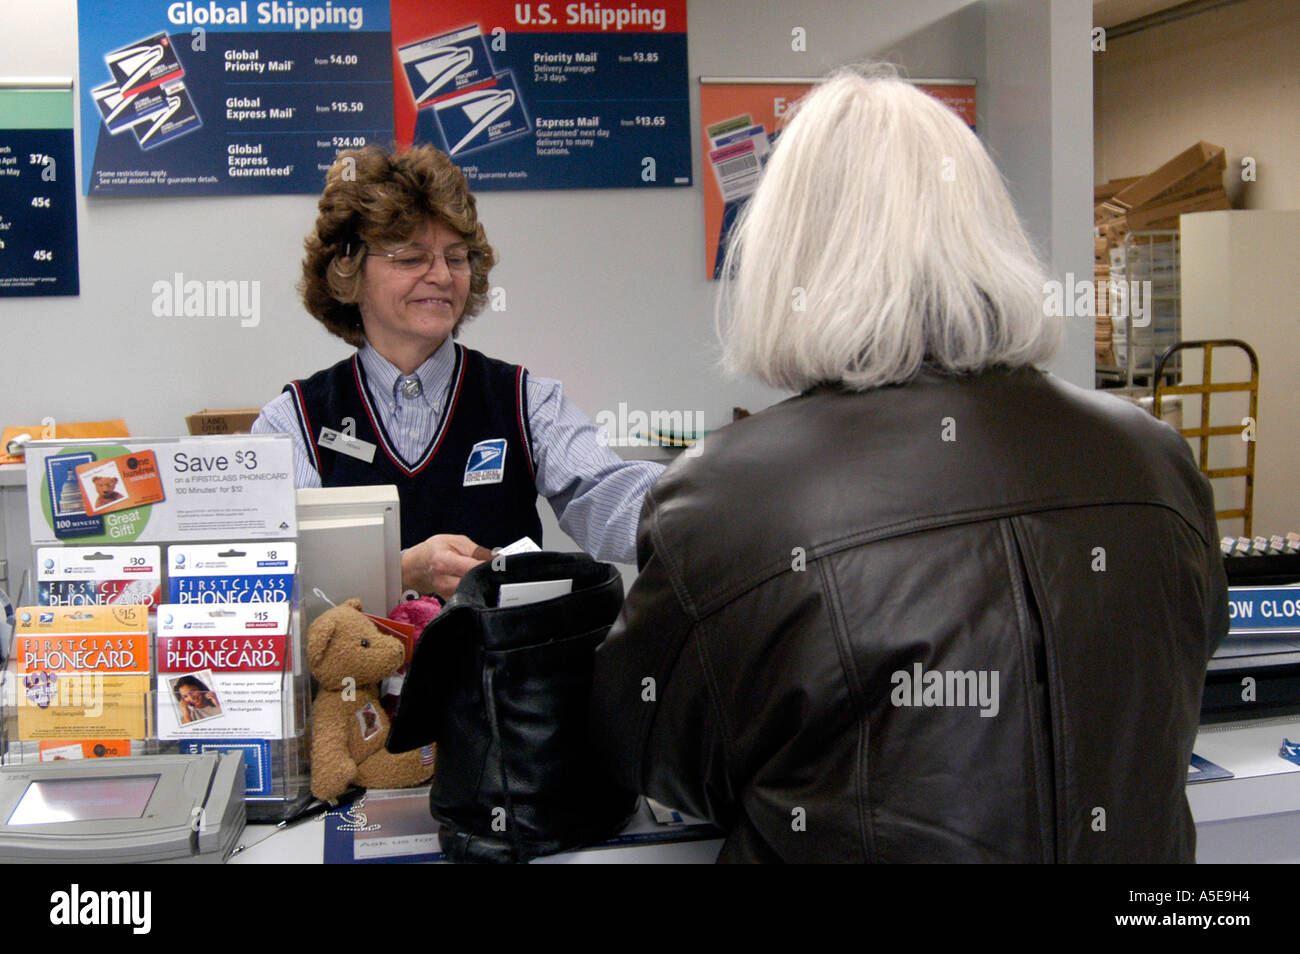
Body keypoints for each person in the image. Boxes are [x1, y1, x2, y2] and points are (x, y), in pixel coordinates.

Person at [589, 64, 1229, 863]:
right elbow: (1180, 680)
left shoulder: (721, 498)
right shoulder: (1152, 458)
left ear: (788, 252)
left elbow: (658, 757)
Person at [253, 146, 662, 598]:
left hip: (503, 666)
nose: (443, 276)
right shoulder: (294, 422)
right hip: (355, 668)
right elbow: (273, 578)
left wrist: (710, 498)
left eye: (456, 257)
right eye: (411, 258)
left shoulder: (527, 402)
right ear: (349, 271)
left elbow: (611, 495)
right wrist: (401, 572)